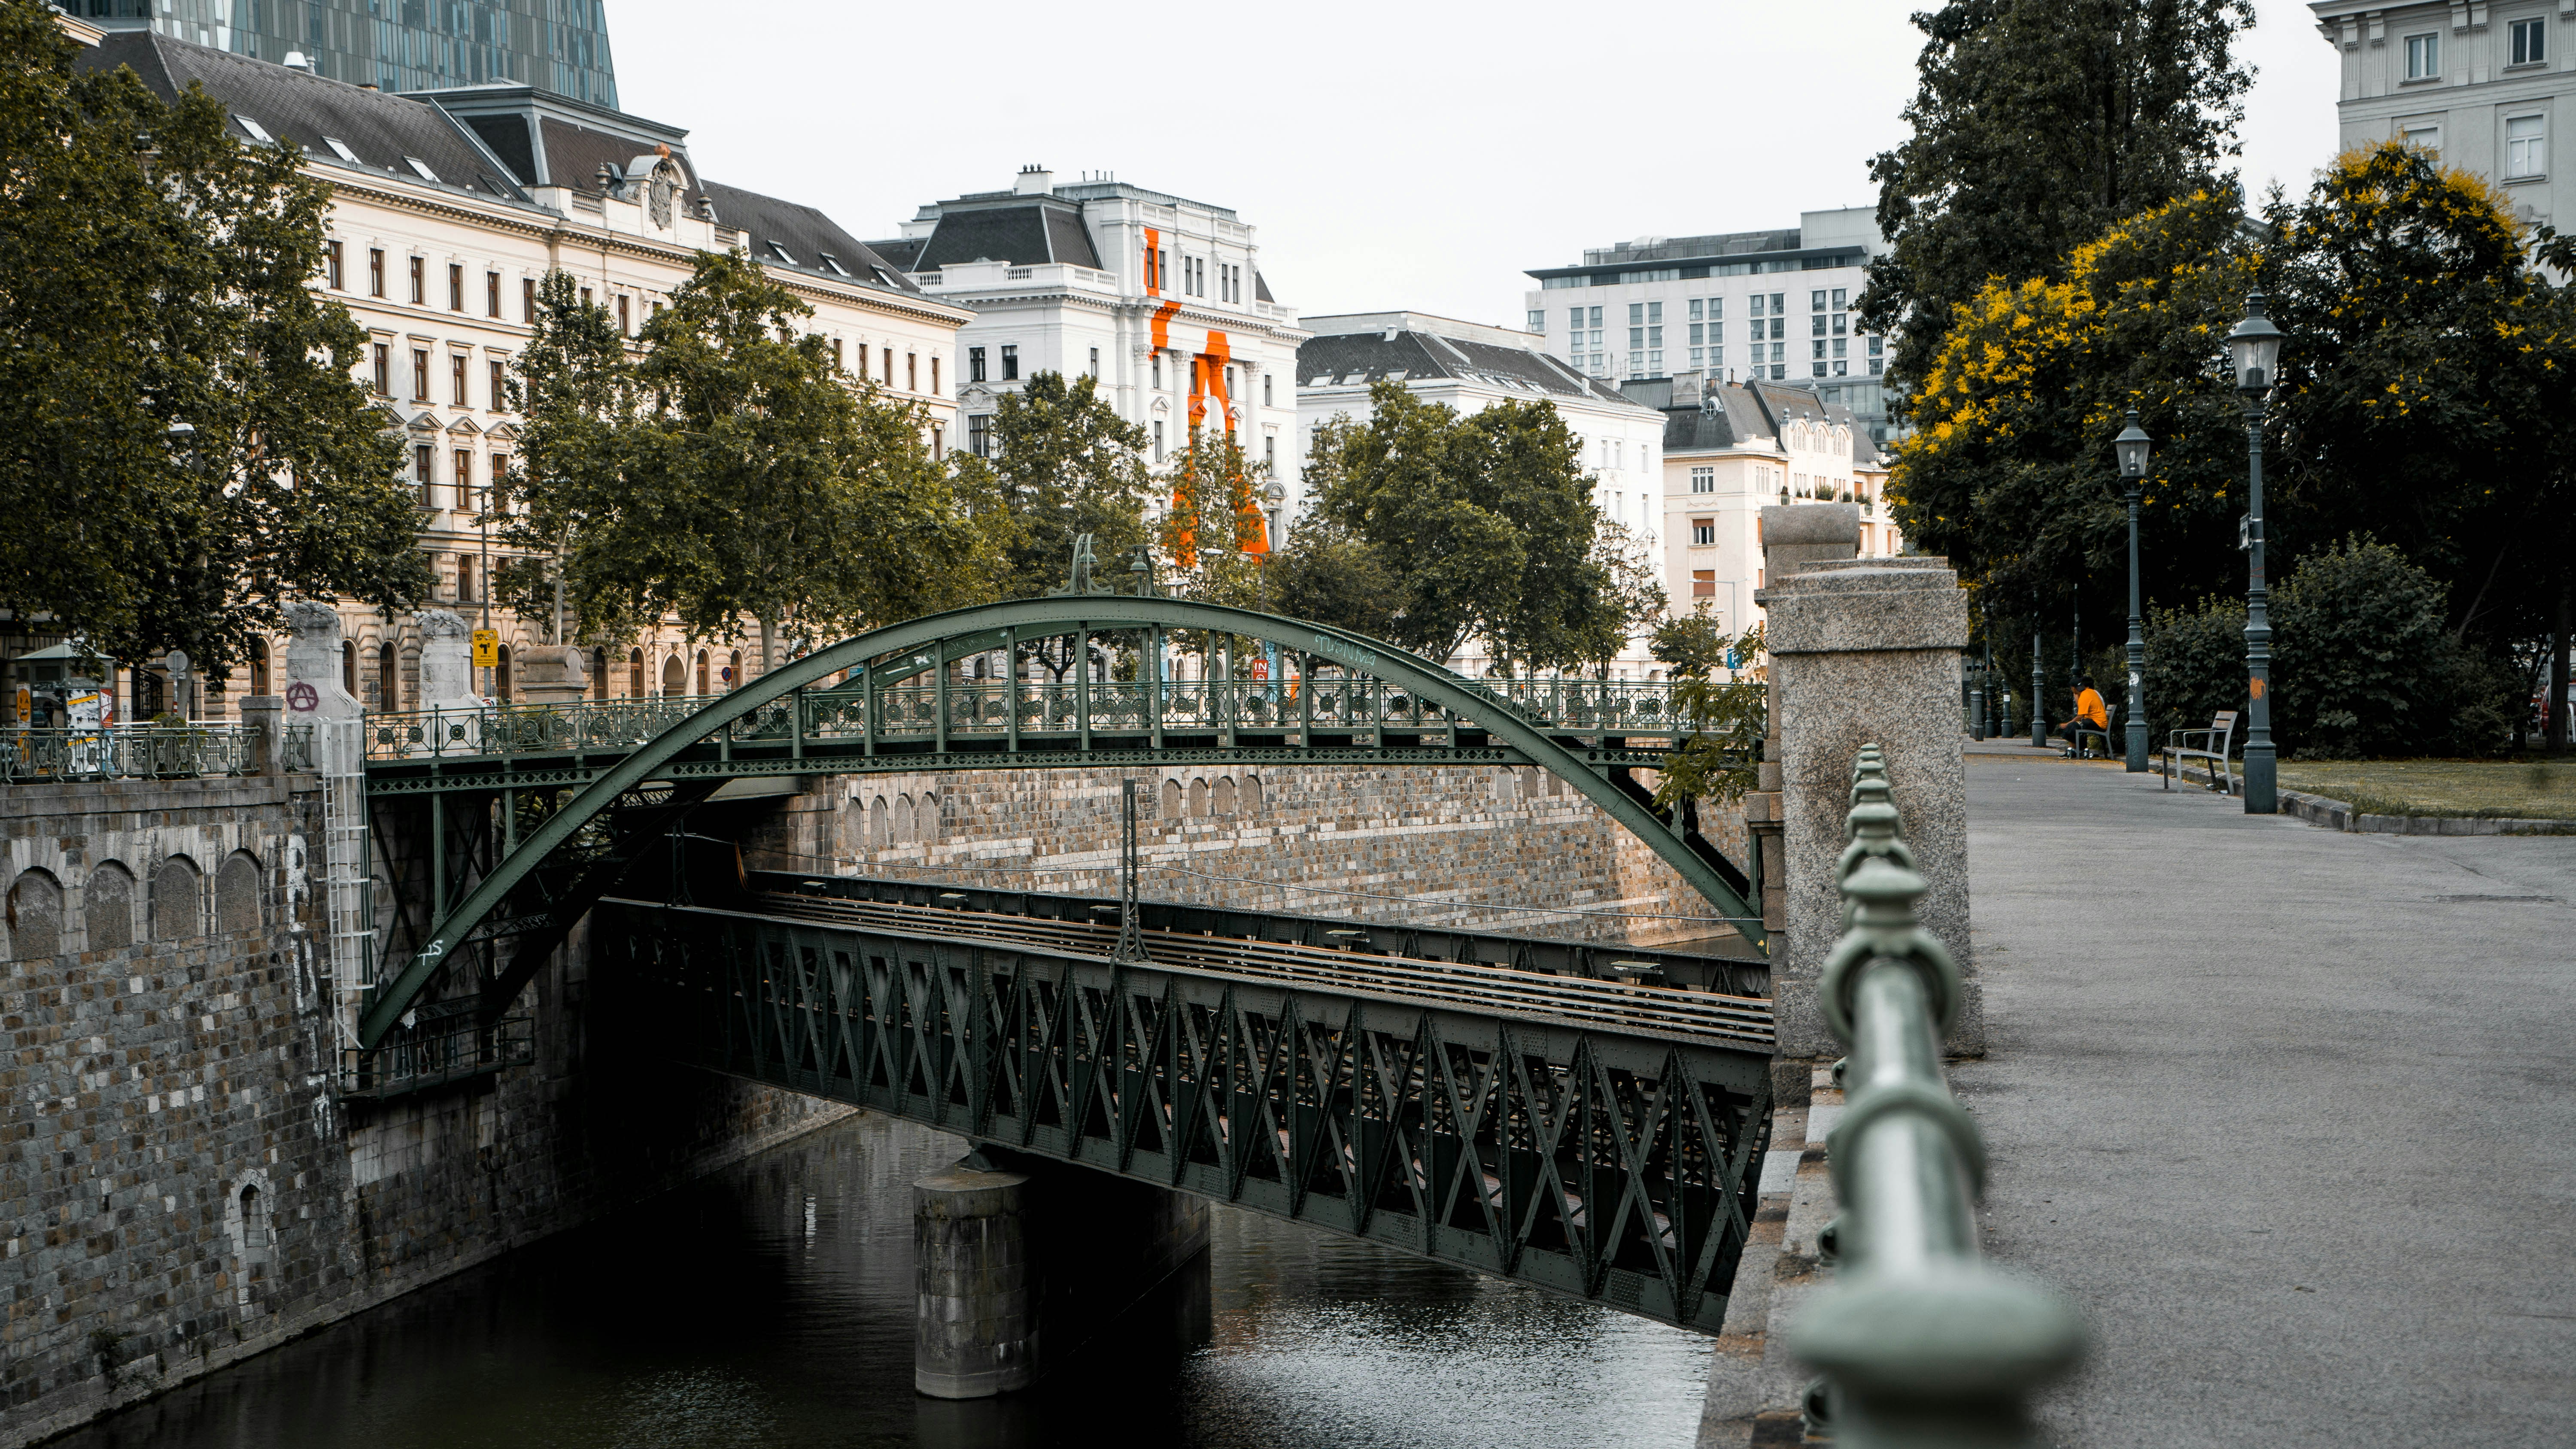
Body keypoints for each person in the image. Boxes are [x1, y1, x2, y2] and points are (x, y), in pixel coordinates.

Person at [2057, 676, 2109, 756]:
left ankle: (2074, 751)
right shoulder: (2090, 692)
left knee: (2072, 726)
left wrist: (2067, 724)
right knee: (2074, 725)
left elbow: (2080, 716)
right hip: (2099, 722)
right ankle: (2073, 751)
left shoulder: (2084, 696)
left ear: (2073, 688)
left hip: (2098, 724)